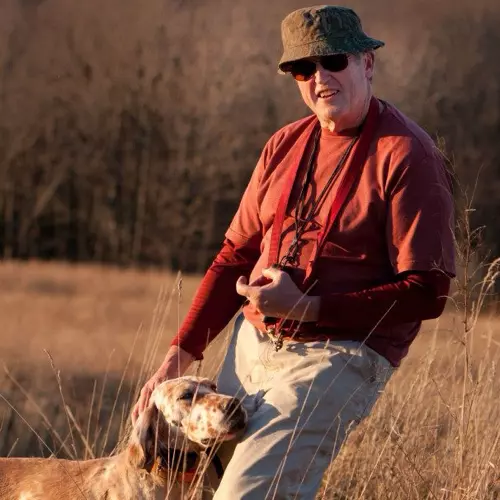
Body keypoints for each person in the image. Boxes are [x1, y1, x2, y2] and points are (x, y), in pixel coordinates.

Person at [132, 5, 456, 498]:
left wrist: (308, 308)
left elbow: (427, 293)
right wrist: (178, 357)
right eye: (303, 69)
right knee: (190, 482)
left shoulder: (407, 155)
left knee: (247, 492)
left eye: (333, 61)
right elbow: (235, 255)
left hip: (339, 355)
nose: (320, 78)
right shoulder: (283, 144)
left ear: (367, 63)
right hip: (253, 342)